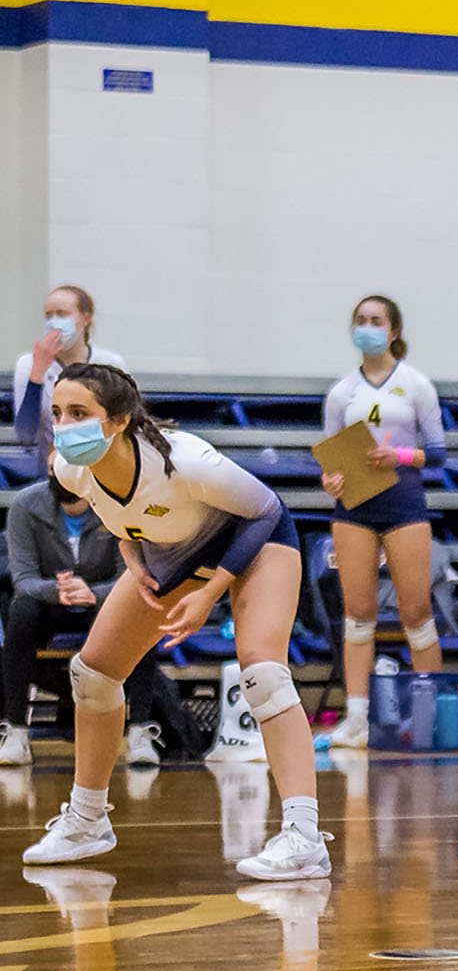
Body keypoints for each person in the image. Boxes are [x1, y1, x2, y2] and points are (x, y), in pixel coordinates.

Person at [22, 363, 329, 880]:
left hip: (256, 541)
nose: (63, 424)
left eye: (79, 412)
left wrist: (211, 592)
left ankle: (303, 837)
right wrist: (137, 565)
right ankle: (87, 821)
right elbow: (125, 523)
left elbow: (266, 510)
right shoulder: (70, 469)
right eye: (57, 412)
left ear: (118, 421)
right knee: (93, 675)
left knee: (264, 672)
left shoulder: (186, 461)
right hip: (174, 554)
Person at [318, 295, 446, 749]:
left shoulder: (415, 384)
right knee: (358, 614)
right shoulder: (341, 392)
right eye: (360, 320)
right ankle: (356, 720)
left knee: (415, 611)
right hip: (354, 508)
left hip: (404, 503)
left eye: (376, 321)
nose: (367, 327)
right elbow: (330, 456)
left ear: (393, 332)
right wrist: (330, 479)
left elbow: (440, 452)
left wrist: (401, 455)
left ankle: (429, 715)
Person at [1, 477, 165, 767]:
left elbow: (130, 576)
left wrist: (93, 593)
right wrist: (56, 590)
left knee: (140, 610)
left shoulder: (117, 505)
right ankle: (16, 732)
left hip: (101, 601)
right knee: (20, 611)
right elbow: (23, 581)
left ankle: (140, 731)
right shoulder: (25, 506)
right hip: (50, 601)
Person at [16, 285, 126, 462]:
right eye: (48, 315)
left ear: (86, 318)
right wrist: (37, 374)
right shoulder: (28, 363)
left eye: (62, 314)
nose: (54, 321)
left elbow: (122, 425)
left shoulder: (111, 363)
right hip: (49, 468)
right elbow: (26, 436)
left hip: (101, 464)